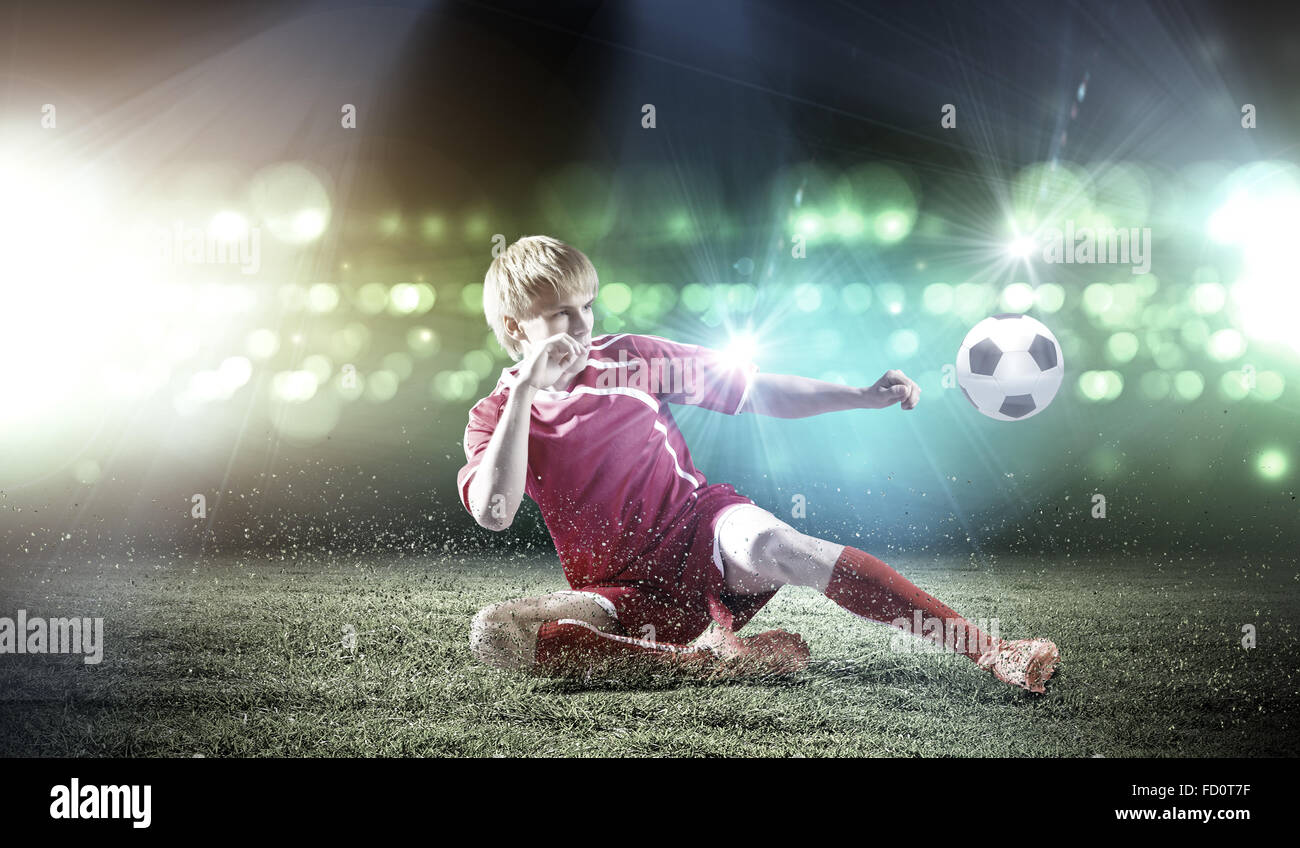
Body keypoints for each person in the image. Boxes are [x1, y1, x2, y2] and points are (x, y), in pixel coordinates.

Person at [458, 235, 1059, 692]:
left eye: (587, 305)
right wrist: (524, 391)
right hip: (621, 591)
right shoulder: (492, 418)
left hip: (704, 533)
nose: (584, 325)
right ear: (514, 327)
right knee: (494, 632)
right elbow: (494, 511)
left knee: (785, 546)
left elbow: (756, 391)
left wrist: (857, 395)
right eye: (561, 314)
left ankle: (989, 650)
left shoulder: (633, 359)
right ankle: (708, 663)